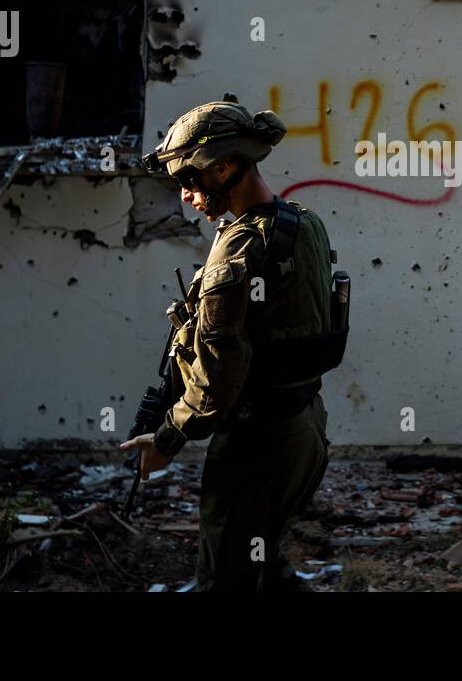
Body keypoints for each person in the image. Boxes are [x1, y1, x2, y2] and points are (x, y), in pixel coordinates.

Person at [121, 99, 338, 592]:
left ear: (224, 167)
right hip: (305, 433)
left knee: (225, 582)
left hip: (258, 446)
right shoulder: (303, 223)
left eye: (190, 181)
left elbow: (220, 376)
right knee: (266, 566)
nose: (186, 195)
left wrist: (167, 439)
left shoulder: (239, 248)